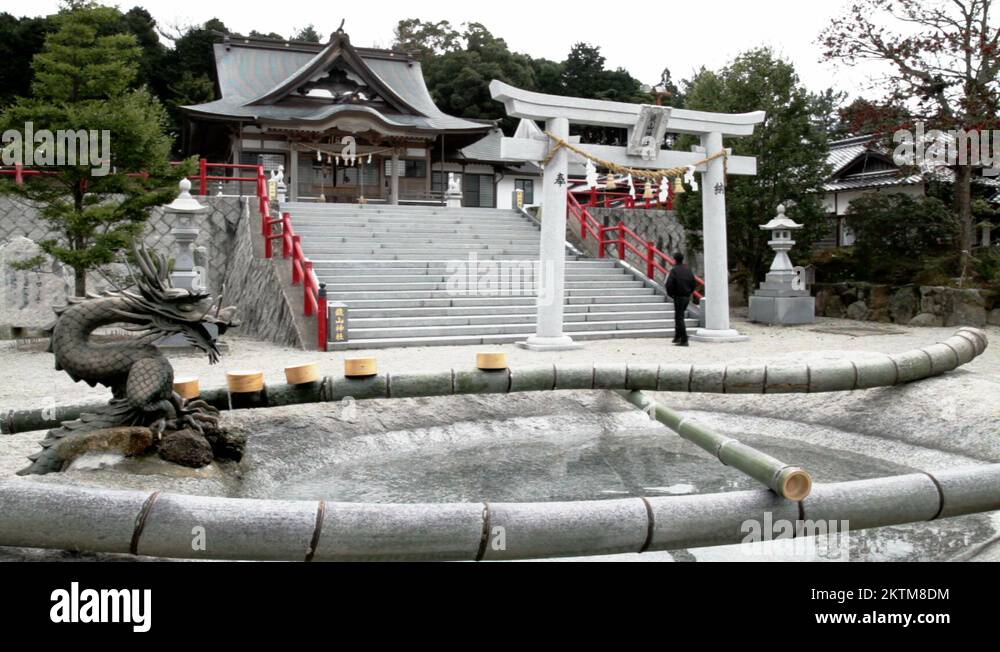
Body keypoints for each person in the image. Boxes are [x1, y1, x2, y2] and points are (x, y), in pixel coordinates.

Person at [665, 253, 696, 347]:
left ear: (674, 260)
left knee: (679, 318)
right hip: (687, 296)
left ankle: (684, 339)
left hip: (678, 296)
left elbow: (669, 284)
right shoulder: (688, 269)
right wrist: (689, 292)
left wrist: (671, 294)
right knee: (679, 316)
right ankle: (677, 336)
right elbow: (693, 283)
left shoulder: (674, 270)